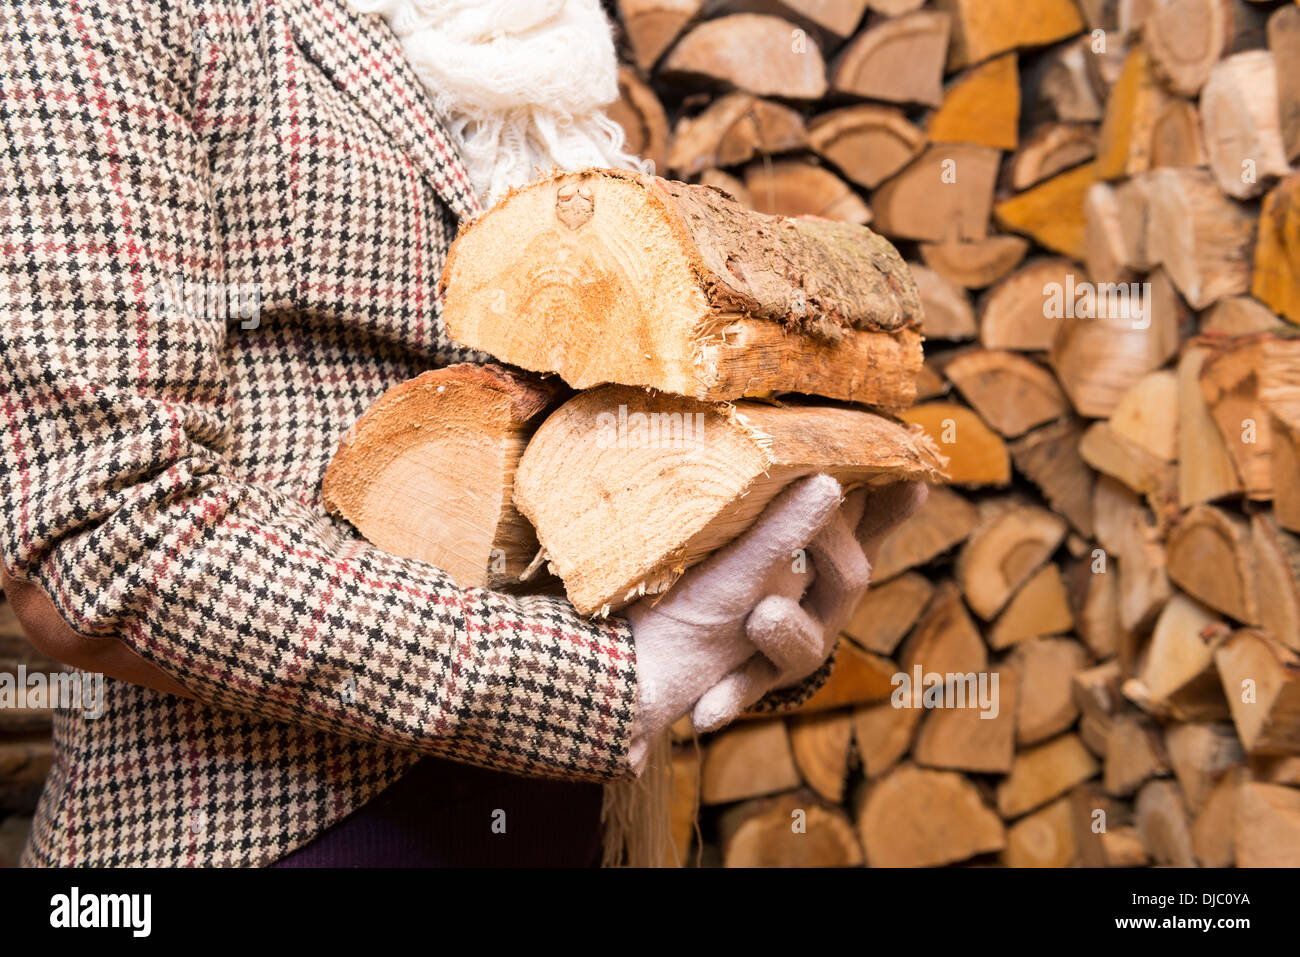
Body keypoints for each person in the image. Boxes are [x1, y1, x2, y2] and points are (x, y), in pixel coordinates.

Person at [0, 0, 923, 867]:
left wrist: (756, 590)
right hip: (269, 830)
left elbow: (599, 436)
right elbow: (102, 534)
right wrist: (613, 683)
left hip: (573, 818)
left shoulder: (542, 45)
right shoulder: (109, 14)